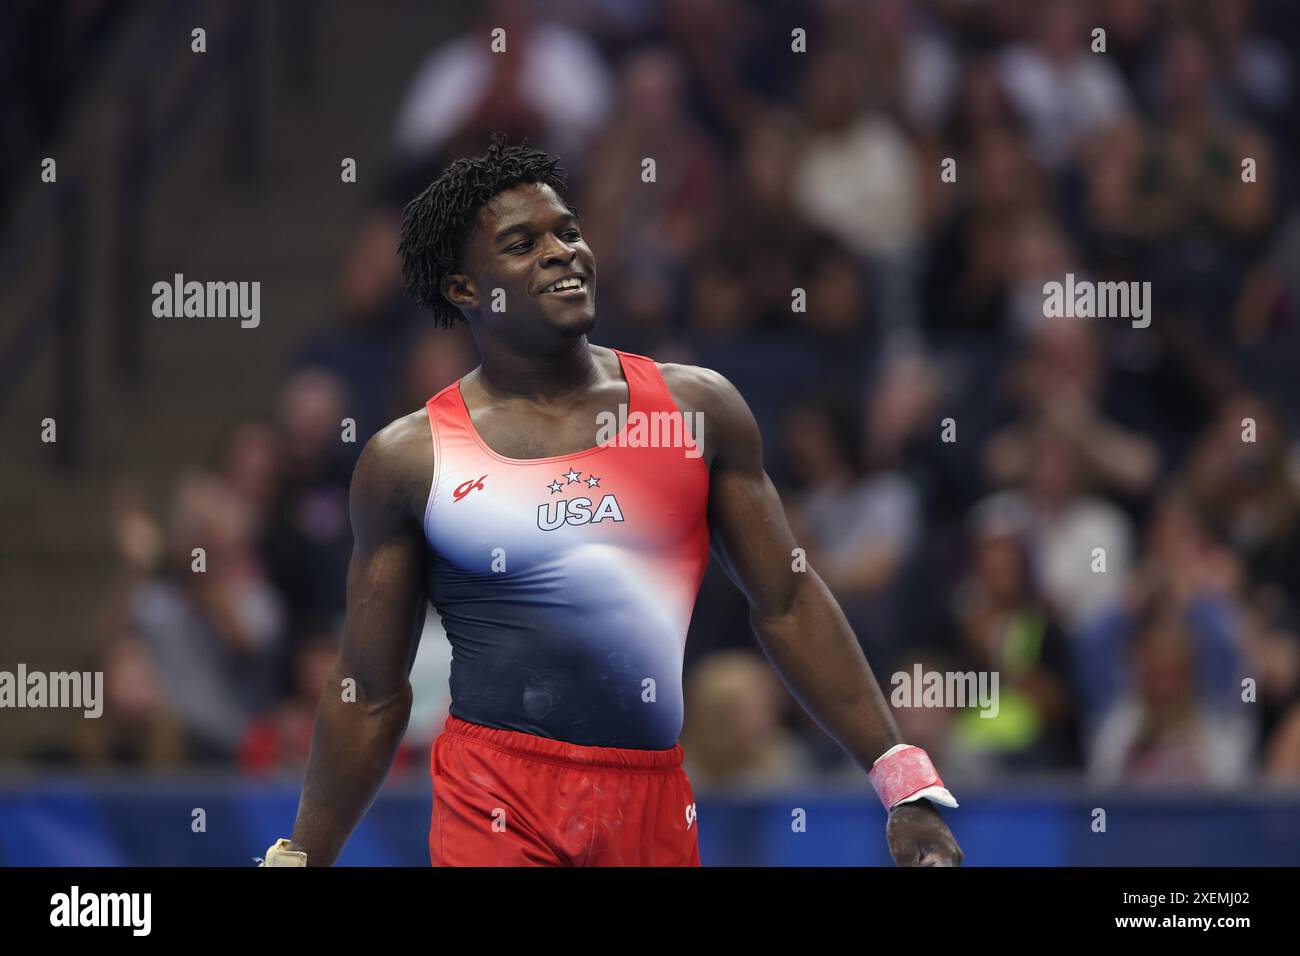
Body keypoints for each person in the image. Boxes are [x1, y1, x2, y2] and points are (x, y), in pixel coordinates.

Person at [267, 137, 962, 867]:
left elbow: (787, 601)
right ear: (465, 288)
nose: (563, 252)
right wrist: (304, 855)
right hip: (495, 800)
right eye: (521, 243)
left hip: (652, 801)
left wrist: (903, 783)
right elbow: (371, 692)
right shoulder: (410, 460)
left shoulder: (697, 410)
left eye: (568, 231)